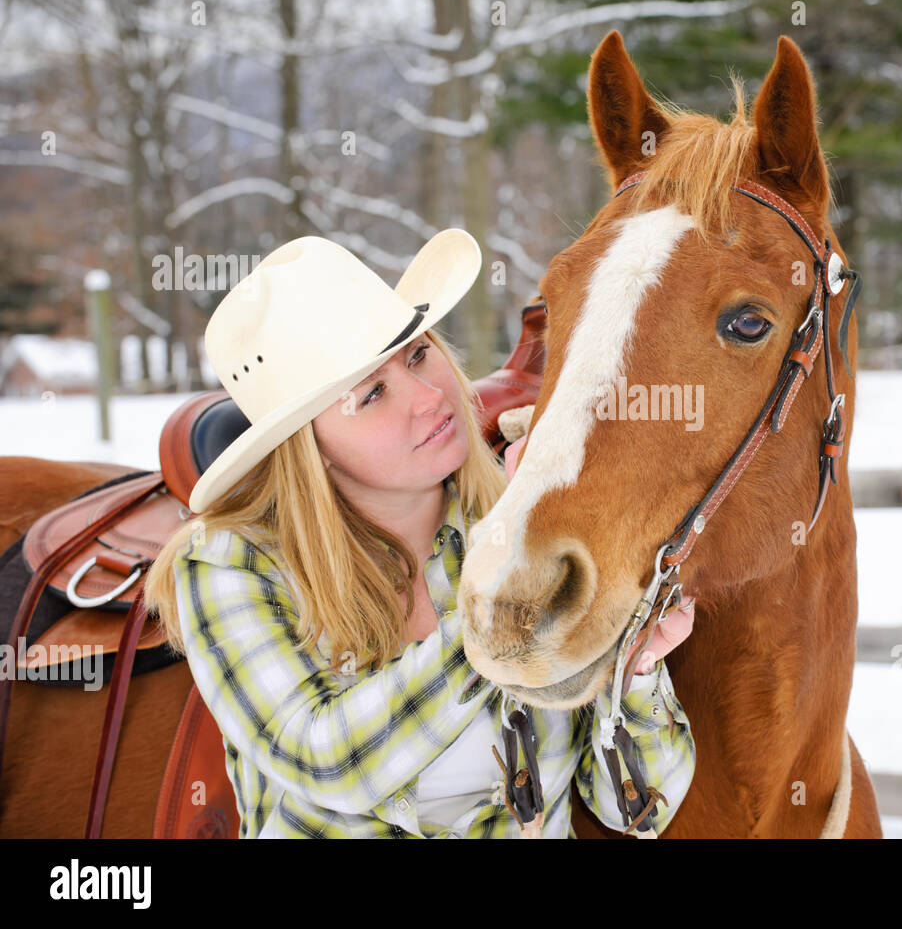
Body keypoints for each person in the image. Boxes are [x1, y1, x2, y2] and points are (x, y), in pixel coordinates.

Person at [142, 230, 696, 838]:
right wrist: (503, 601)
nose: (429, 396)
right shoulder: (227, 564)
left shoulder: (519, 528)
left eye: (416, 354)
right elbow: (330, 764)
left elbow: (640, 810)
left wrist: (636, 675)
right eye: (372, 393)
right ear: (310, 450)